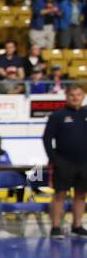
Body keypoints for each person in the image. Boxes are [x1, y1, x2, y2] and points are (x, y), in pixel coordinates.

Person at [43, 84, 87, 239]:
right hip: (64, 163)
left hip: (84, 163)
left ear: (83, 96)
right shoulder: (57, 116)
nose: (75, 98)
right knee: (59, 195)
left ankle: (77, 225)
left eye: (79, 94)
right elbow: (47, 139)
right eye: (72, 95)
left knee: (81, 195)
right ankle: (55, 228)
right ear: (66, 96)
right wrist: (55, 159)